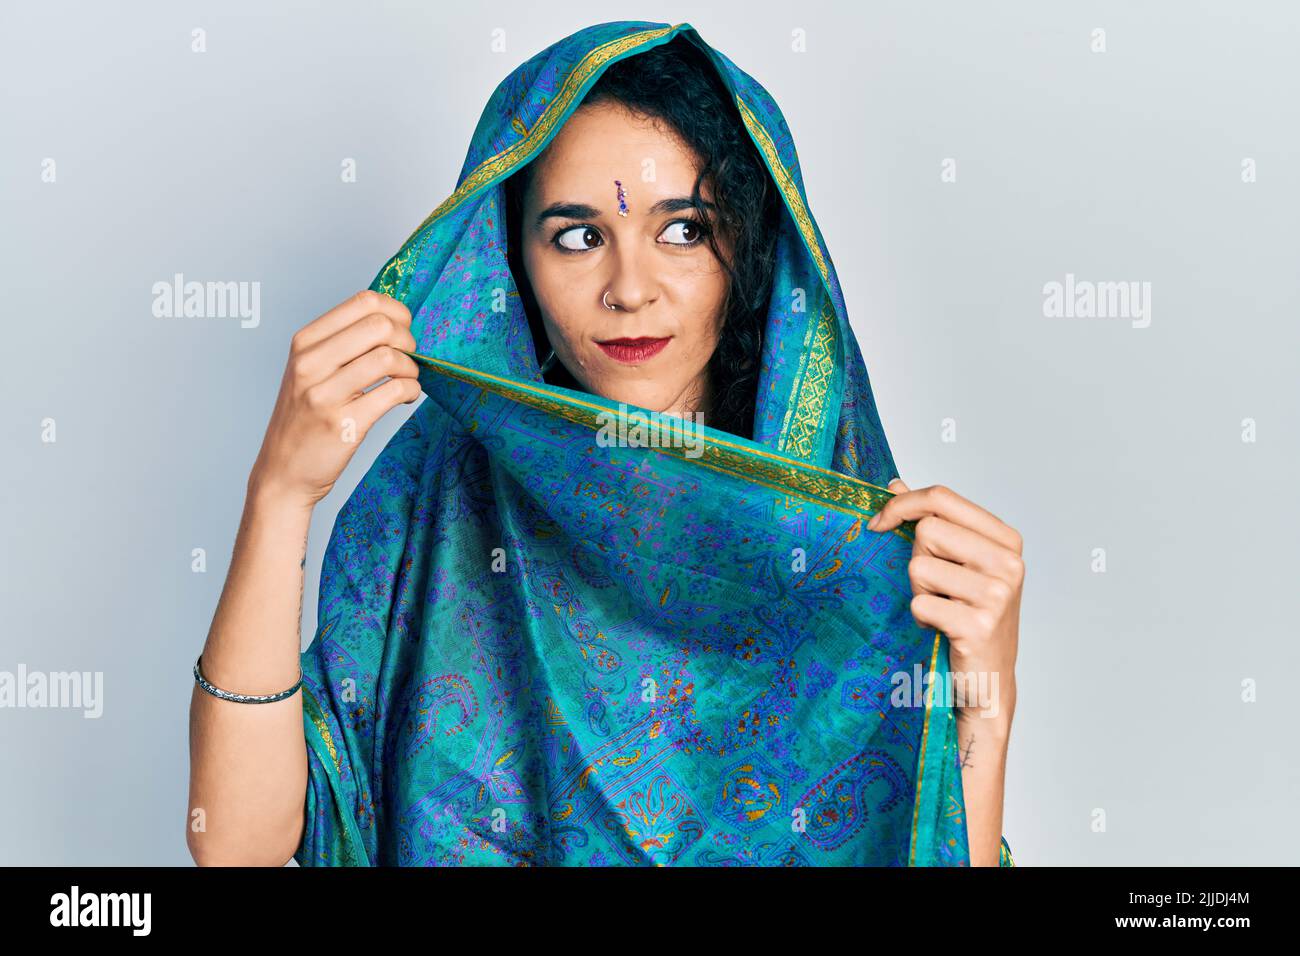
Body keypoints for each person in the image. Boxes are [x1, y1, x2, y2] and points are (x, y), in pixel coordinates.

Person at [187, 20, 1022, 867]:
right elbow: (235, 849)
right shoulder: (439, 492)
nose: (630, 290)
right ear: (510, 257)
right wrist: (279, 496)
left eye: (684, 230)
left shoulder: (851, 550)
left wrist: (983, 706)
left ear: (751, 252)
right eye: (578, 236)